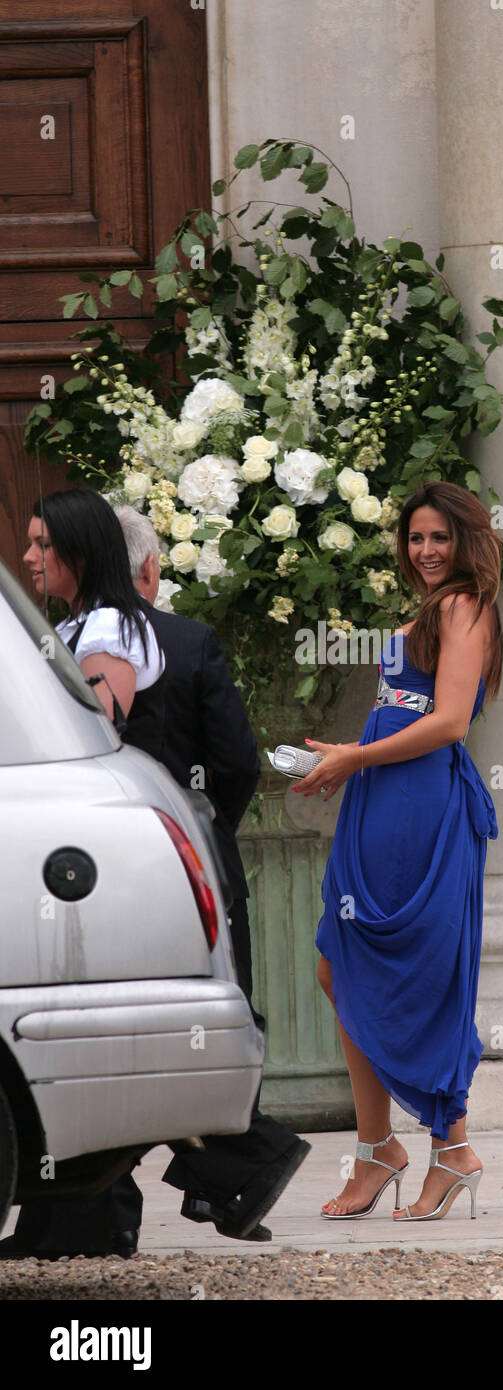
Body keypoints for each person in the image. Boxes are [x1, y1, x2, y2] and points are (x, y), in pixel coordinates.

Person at [294, 481, 502, 1222]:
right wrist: (343, 758)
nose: (424, 551)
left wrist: (354, 756)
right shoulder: (430, 610)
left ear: (467, 540)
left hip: (415, 804)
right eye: (414, 539)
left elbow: (449, 721)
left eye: (438, 538)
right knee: (338, 961)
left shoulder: (462, 604)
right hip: (382, 799)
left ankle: (444, 1147)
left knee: (403, 967)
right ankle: (388, 1147)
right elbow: (406, 709)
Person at [113, 505, 310, 1242]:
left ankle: (239, 1162)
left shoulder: (64, 649)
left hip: (111, 874)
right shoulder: (189, 640)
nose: (33, 562)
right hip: (194, 863)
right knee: (210, 1016)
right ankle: (223, 1173)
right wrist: (207, 830)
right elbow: (235, 763)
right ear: (151, 570)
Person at [2, 487, 166, 1259]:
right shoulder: (74, 622)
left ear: (77, 550)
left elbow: (101, 720)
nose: (30, 557)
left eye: (42, 544)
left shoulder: (106, 627)